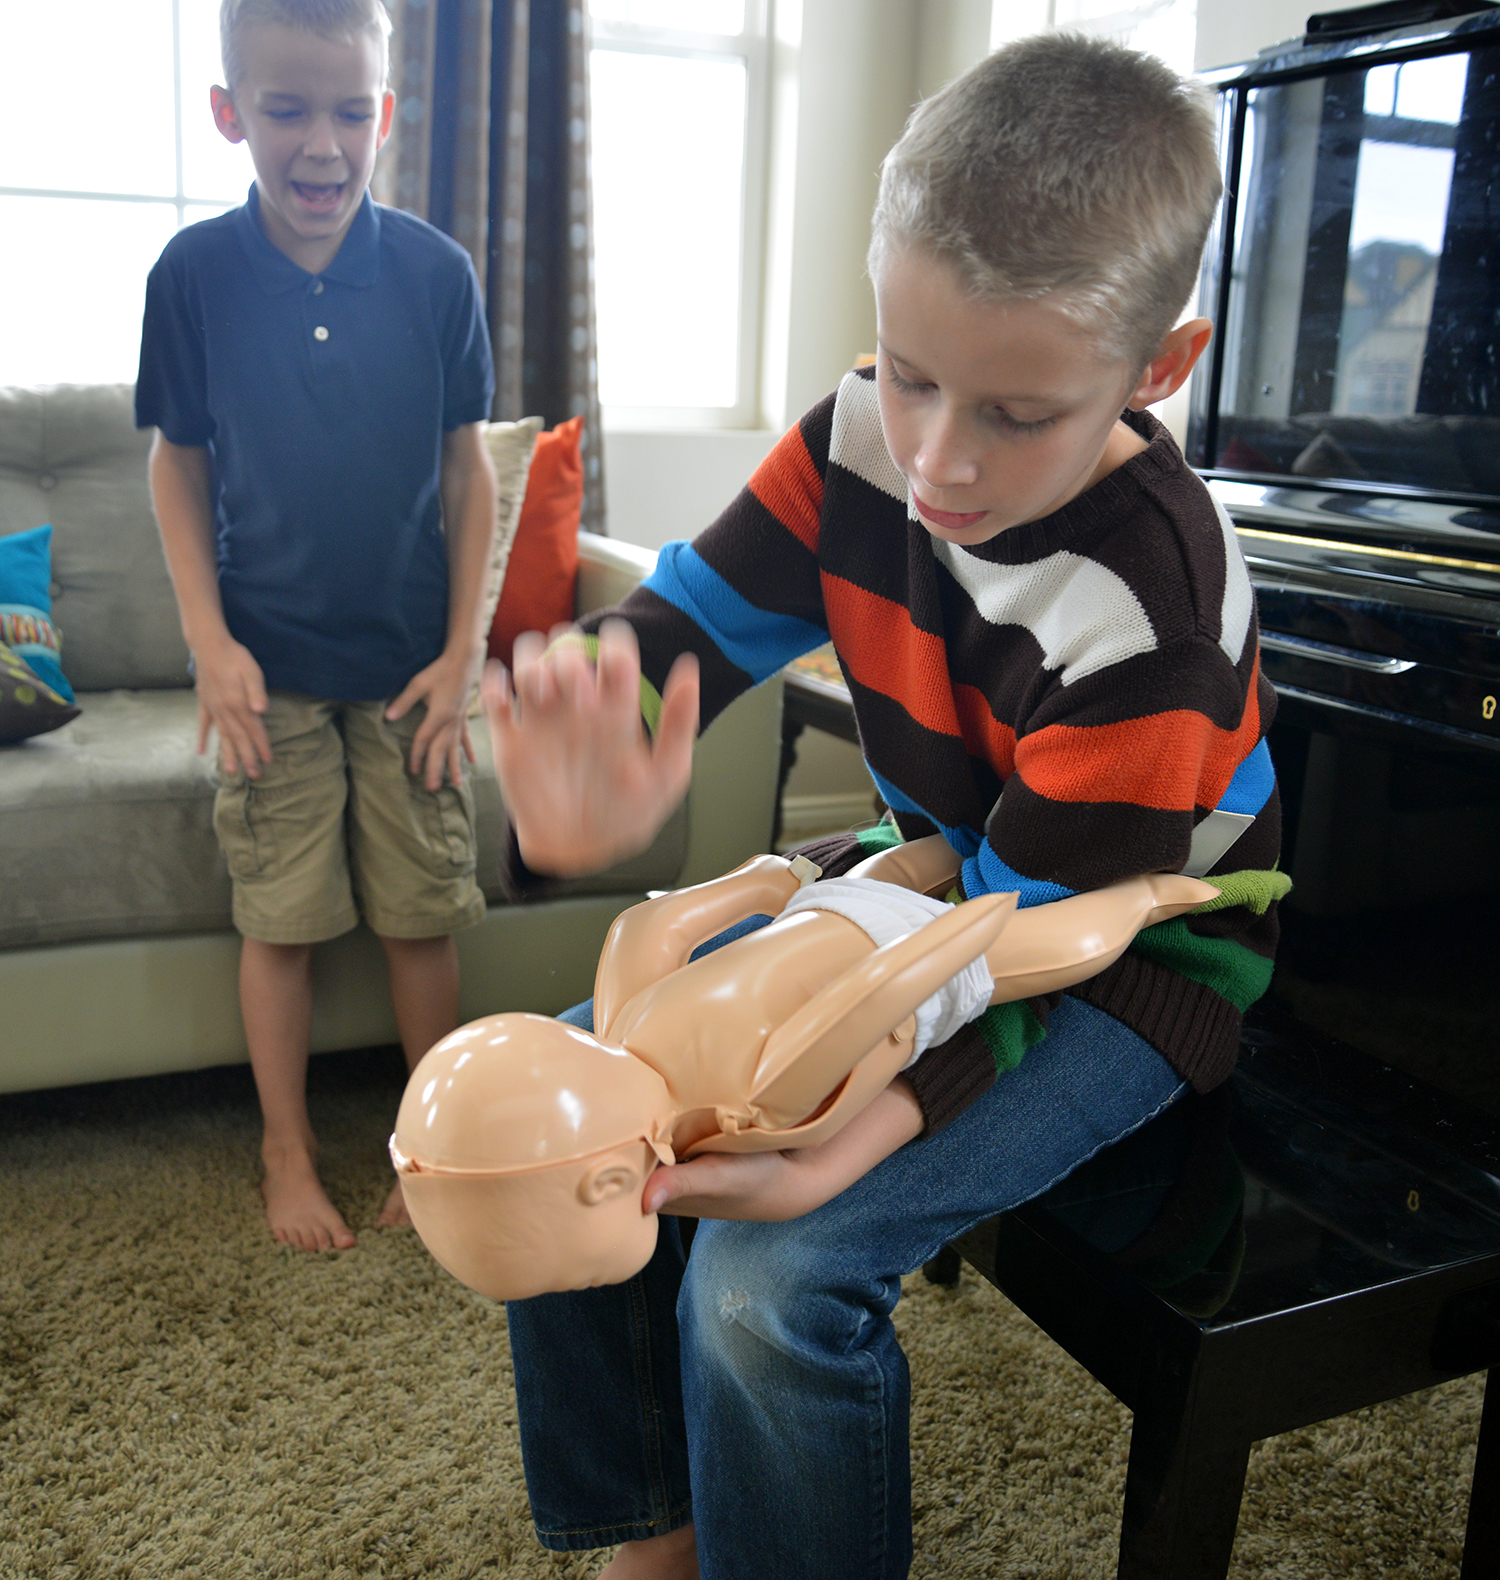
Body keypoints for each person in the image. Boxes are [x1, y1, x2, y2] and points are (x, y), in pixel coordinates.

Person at [484, 31, 1285, 1580]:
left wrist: (862, 1133)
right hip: (936, 874)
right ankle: (650, 1540)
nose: (935, 459)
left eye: (1013, 413)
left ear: (1157, 369)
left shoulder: (1154, 608)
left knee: (768, 1283)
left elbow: (1024, 952)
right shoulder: (857, 435)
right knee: (575, 1082)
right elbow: (677, 636)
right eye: (911, 375)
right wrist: (595, 737)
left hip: (1123, 958)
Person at [137, 0, 499, 1253]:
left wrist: (464, 655)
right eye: (286, 110)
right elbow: (175, 468)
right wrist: (209, 642)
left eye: (350, 111)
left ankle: (432, 1136)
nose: (321, 143)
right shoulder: (191, 277)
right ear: (233, 113)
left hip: (410, 672)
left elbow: (470, 474)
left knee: (419, 913)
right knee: (278, 918)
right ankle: (285, 1148)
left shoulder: (437, 274)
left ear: (386, 114)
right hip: (269, 671)